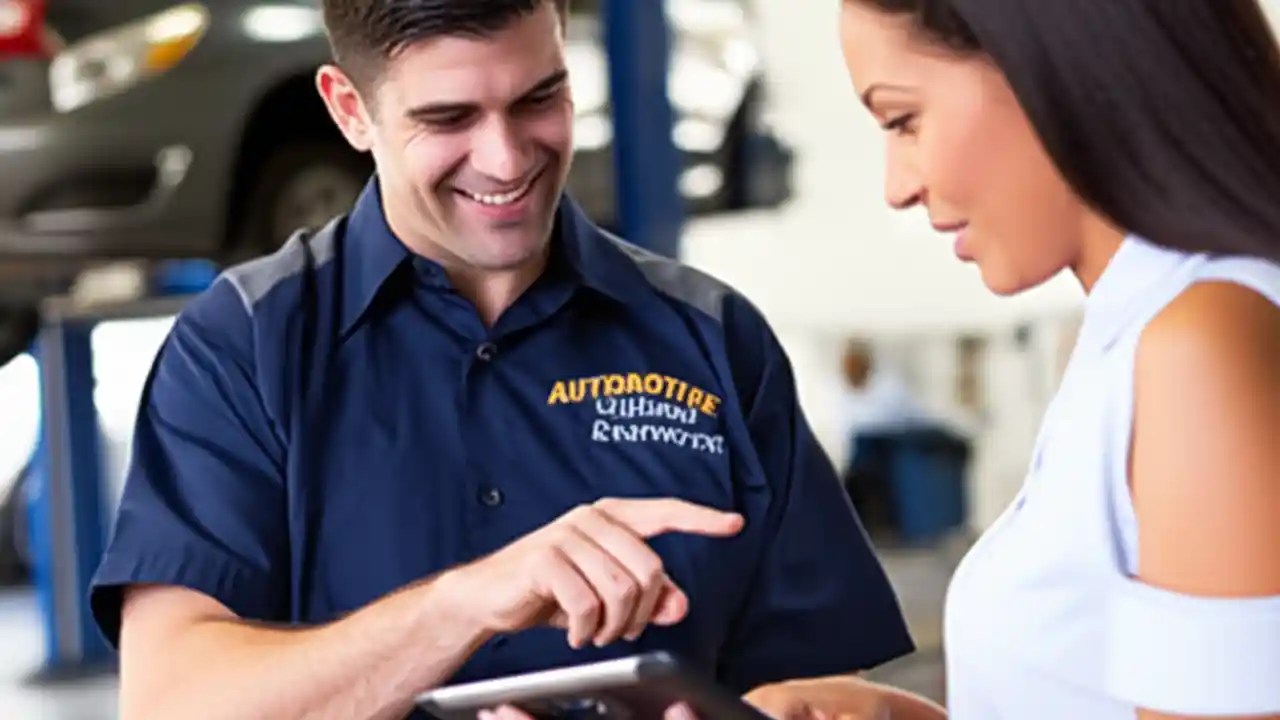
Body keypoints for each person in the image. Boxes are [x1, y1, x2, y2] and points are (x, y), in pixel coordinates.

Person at [88, 1, 918, 718]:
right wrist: (465, 605)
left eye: (539, 99)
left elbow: (816, 687)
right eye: (448, 119)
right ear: (350, 111)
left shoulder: (714, 340)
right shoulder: (246, 347)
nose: (507, 159)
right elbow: (173, 702)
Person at [690, 0, 1280, 718]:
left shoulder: (1201, 344)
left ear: (1046, 65)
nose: (897, 187)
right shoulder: (1143, 330)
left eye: (904, 120)